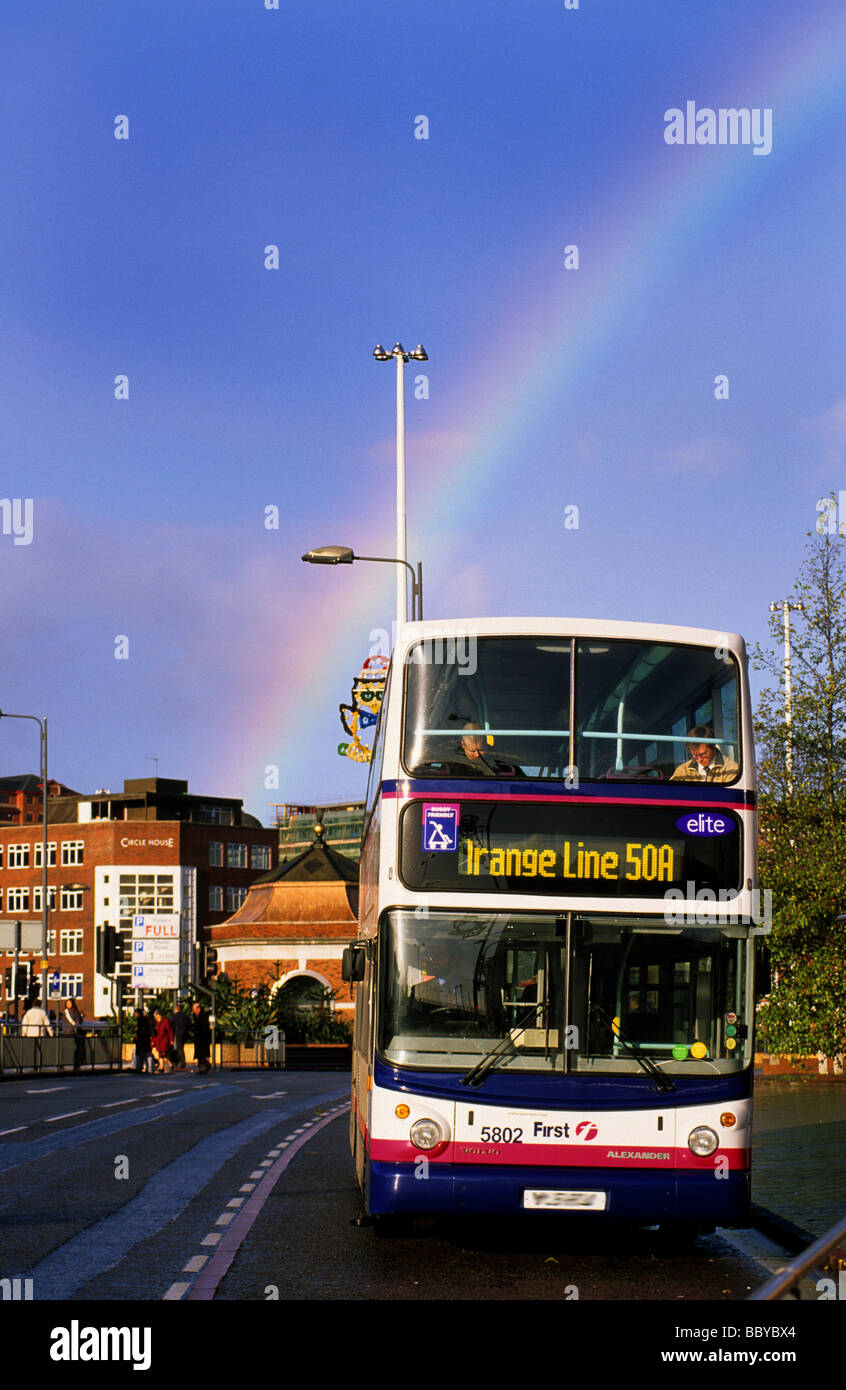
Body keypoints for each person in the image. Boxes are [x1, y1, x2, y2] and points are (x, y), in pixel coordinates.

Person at [670, 724, 738, 783]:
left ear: (713, 747)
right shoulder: (682, 771)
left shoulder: (731, 769)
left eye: (703, 754)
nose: (699, 760)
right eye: (695, 755)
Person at [456, 722, 524, 778]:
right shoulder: (453, 765)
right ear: (463, 745)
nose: (477, 754)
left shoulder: (506, 766)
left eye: (481, 749)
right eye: (472, 751)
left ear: (486, 743)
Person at [63, 998, 86, 1072]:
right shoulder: (65, 1012)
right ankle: (63, 1064)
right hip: (65, 1033)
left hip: (73, 1033)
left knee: (75, 1050)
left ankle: (76, 1064)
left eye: (70, 1003)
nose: (68, 1004)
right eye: (67, 1003)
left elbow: (78, 1022)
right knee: (65, 1050)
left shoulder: (76, 1012)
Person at [151, 1008, 174, 1074]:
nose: (156, 1018)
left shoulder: (166, 1021)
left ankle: (168, 1065)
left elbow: (170, 1030)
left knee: (164, 1054)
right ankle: (162, 1067)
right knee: (160, 1053)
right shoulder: (156, 1023)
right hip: (158, 1040)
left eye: (157, 1016)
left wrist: (171, 1039)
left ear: (160, 1015)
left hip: (164, 1040)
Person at [191, 1001, 211, 1073]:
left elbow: (204, 1027)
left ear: (198, 1009)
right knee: (200, 1055)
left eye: (195, 1009)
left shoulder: (203, 1016)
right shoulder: (196, 1016)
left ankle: (204, 1066)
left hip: (202, 1039)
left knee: (202, 1054)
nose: (194, 1011)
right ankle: (202, 1067)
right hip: (199, 1038)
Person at [133, 1007, 153, 1074]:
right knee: (145, 1054)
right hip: (144, 1040)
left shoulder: (141, 1020)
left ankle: (141, 1067)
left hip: (142, 1040)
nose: (135, 1015)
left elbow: (144, 1031)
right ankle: (147, 1067)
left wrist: (138, 1031)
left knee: (142, 1054)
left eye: (135, 1013)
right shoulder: (143, 1020)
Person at [171, 1002, 190, 1070]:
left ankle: (182, 1062)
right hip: (184, 1033)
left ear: (176, 1009)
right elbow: (189, 1024)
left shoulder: (174, 1016)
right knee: (181, 1047)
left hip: (177, 1034)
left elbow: (172, 1026)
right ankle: (181, 1061)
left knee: (179, 1048)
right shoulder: (185, 1016)